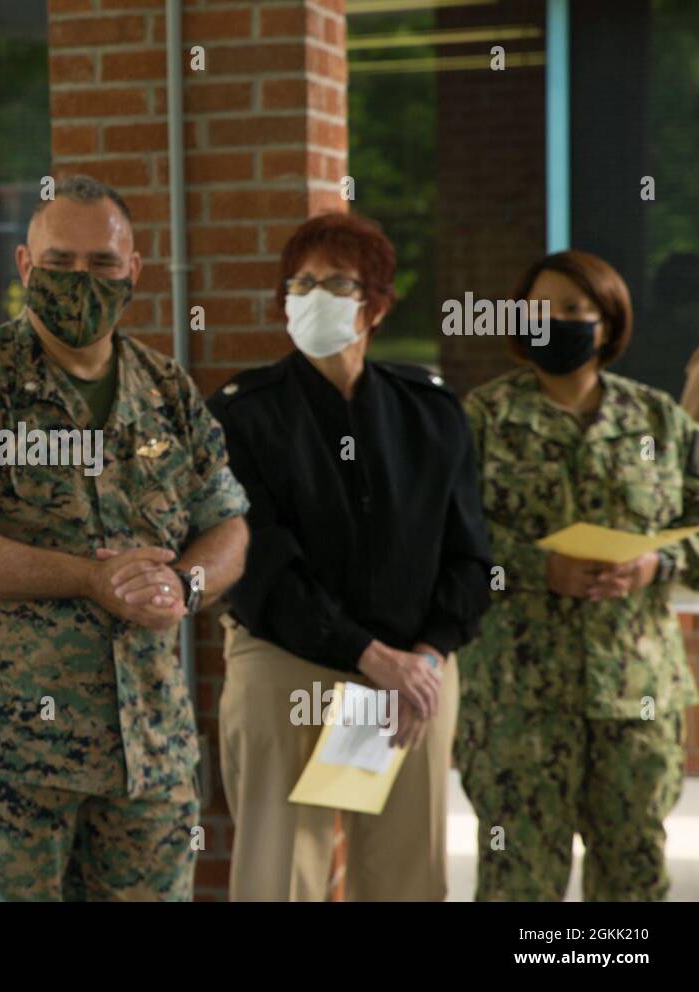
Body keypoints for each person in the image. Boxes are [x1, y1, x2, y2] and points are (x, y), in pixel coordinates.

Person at [0, 174, 250, 901]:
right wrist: (88, 578)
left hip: (146, 757)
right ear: (25, 266)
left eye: (101, 265)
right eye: (59, 265)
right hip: (1, 768)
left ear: (134, 272)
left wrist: (184, 584)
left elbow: (229, 524)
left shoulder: (168, 392)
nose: (79, 282)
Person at [207, 212, 492, 901]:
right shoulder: (241, 416)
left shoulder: (430, 413)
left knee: (407, 876)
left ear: (377, 305)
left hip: (414, 674)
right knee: (279, 873)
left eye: (335, 283)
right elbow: (260, 565)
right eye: (299, 284)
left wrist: (426, 654)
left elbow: (469, 557)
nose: (311, 297)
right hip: (287, 662)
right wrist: (366, 653)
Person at [456, 249, 698, 901]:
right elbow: (452, 542)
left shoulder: (658, 422)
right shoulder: (479, 419)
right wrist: (540, 567)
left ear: (607, 322)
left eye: (571, 310)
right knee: (517, 883)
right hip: (515, 703)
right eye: (538, 309)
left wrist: (658, 564)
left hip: (635, 700)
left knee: (634, 876)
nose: (552, 322)